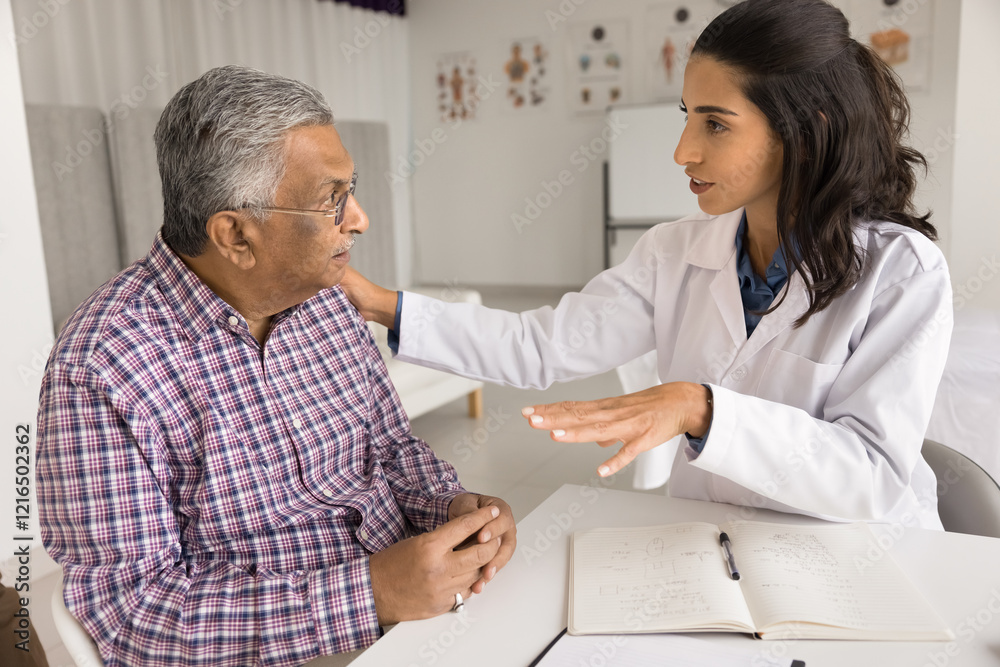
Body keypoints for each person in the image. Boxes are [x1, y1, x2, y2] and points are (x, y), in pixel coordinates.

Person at [342, 0, 952, 530]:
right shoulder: (674, 251)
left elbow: (873, 476)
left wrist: (701, 408)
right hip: (717, 543)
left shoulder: (901, 273)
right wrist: (377, 302)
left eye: (716, 124)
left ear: (806, 131)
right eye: (687, 116)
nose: (683, 151)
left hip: (858, 554)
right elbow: (541, 346)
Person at [35, 65, 515, 667]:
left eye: (351, 190)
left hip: (416, 624)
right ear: (236, 236)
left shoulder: (325, 300)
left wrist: (452, 509)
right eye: (332, 201)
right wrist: (371, 593)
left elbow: (392, 451)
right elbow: (133, 616)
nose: (359, 219)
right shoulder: (102, 366)